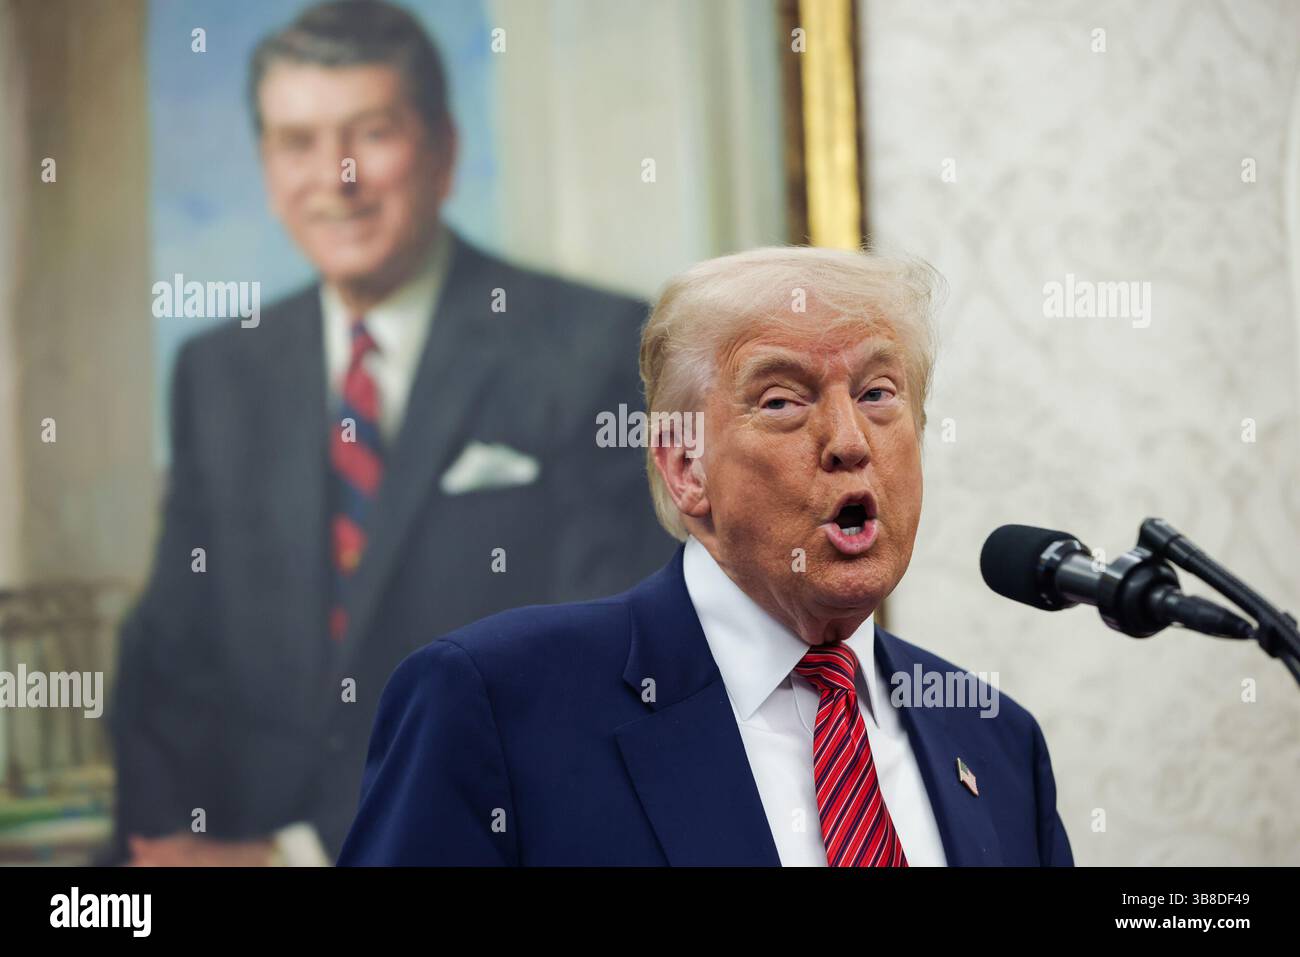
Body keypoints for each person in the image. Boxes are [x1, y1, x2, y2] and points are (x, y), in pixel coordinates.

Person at [106, 0, 672, 866]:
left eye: (371, 133)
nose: (336, 177)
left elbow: (597, 679)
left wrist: (298, 855)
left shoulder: (593, 350)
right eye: (297, 142)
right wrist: (167, 840)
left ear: (443, 151)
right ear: (266, 166)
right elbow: (169, 656)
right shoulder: (219, 372)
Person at [338, 245, 1074, 866]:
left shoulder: (998, 740)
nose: (852, 440)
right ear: (686, 466)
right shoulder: (495, 703)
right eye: (784, 400)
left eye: (880, 392)